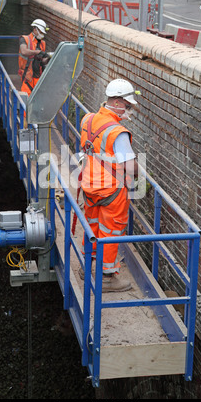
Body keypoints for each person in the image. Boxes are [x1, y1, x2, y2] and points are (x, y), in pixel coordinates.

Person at [79, 78, 139, 292]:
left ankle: (88, 267)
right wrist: (140, 172)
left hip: (89, 185)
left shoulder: (87, 119)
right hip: (111, 190)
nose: (129, 110)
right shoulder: (117, 132)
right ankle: (107, 278)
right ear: (118, 103)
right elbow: (131, 168)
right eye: (128, 105)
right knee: (111, 231)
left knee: (93, 226)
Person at [18, 18, 51, 95]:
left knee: (38, 100)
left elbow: (42, 61)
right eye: (41, 32)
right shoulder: (24, 39)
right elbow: (24, 51)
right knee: (26, 102)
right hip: (27, 77)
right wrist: (38, 52)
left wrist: (48, 58)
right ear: (35, 29)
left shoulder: (43, 43)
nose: (42, 34)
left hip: (38, 77)